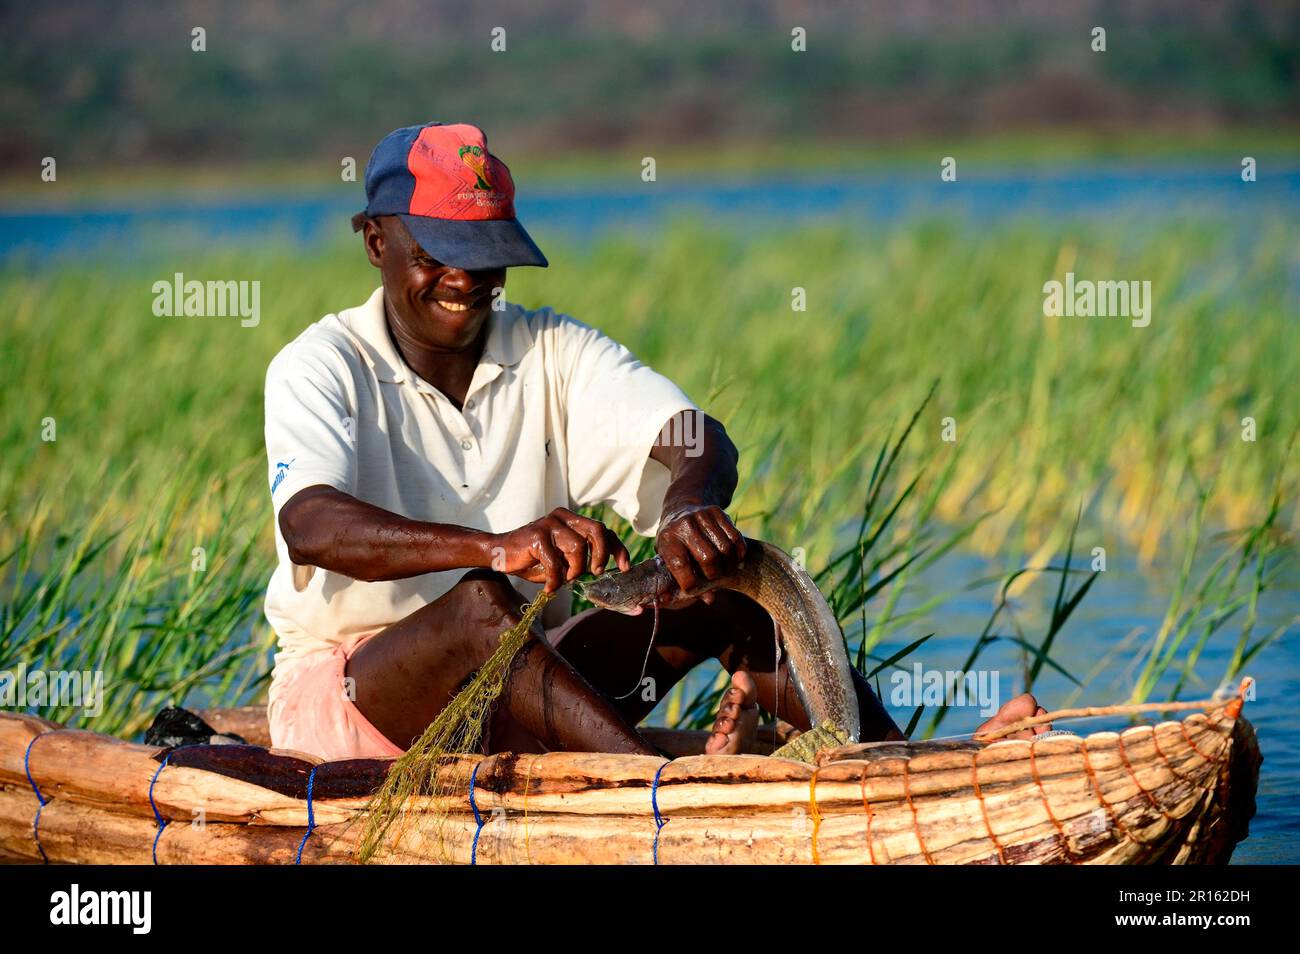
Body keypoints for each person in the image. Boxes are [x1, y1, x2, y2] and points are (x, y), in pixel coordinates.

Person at [262, 121, 1049, 761]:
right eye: (439, 254)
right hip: (359, 706)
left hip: (526, 689)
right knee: (480, 606)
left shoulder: (549, 350)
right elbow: (313, 523)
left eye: (485, 256)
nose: (466, 279)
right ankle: (652, 798)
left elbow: (690, 434)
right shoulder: (323, 365)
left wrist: (687, 510)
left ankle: (894, 768)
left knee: (728, 584)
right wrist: (494, 546)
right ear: (375, 242)